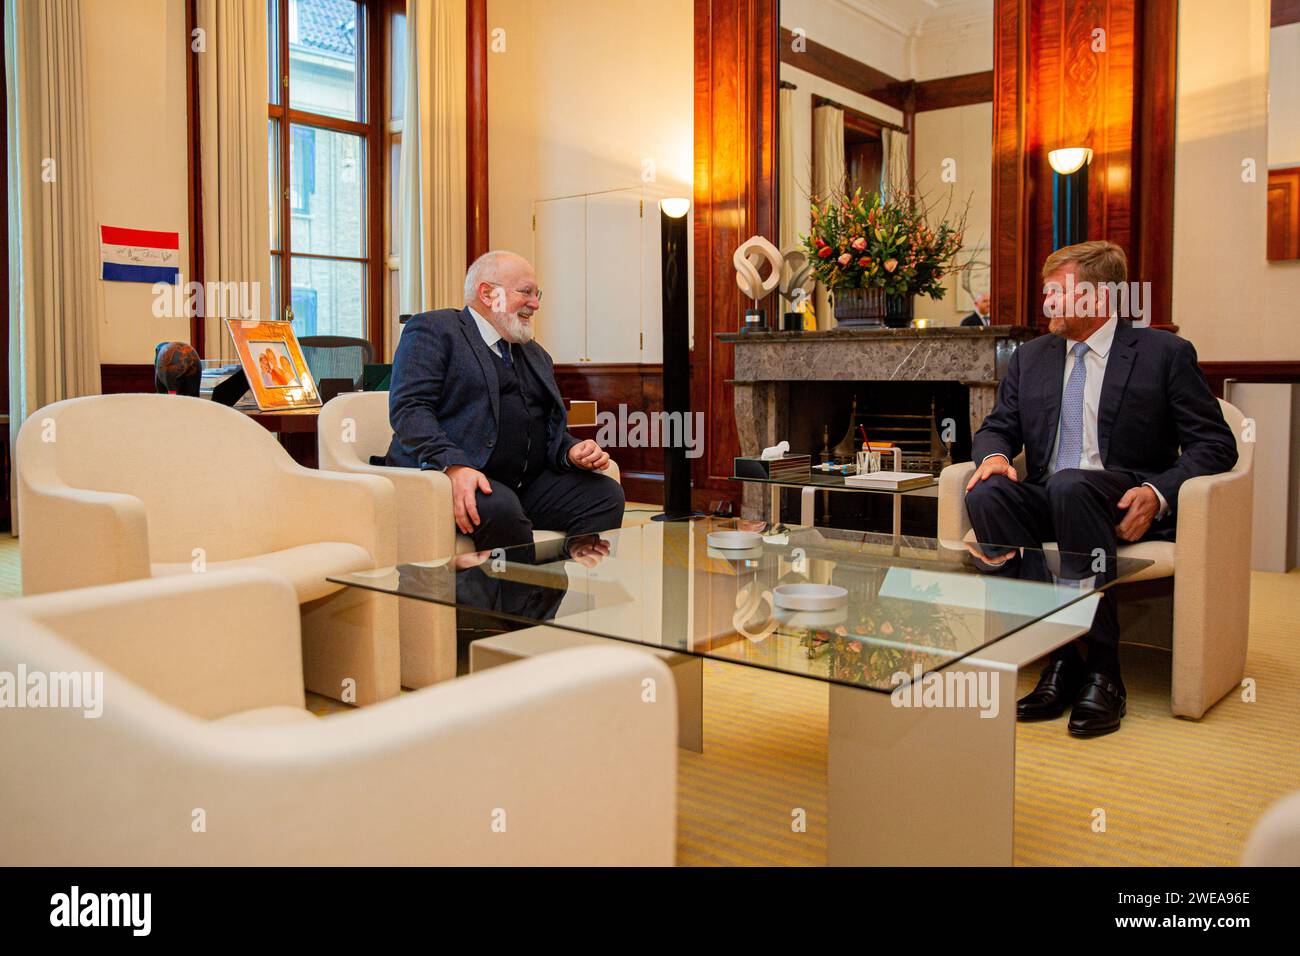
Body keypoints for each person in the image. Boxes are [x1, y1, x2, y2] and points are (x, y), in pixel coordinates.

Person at [963, 240, 1237, 737]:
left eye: (1057, 294)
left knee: (1072, 485)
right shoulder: (1031, 358)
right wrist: (998, 457)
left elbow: (1216, 444)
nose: (1045, 305)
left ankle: (1104, 671)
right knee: (986, 492)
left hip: (1121, 499)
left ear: (1100, 299)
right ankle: (1062, 656)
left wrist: (1159, 492)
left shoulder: (1164, 354)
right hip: (1055, 498)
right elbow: (997, 427)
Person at [384, 250, 624, 553]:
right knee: (502, 507)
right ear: (487, 293)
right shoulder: (435, 330)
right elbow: (410, 409)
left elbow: (546, 427)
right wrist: (453, 465)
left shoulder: (535, 354)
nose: (535, 304)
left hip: (524, 483)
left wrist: (570, 451)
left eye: (537, 294)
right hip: (458, 477)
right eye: (525, 292)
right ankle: (518, 598)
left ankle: (555, 583)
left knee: (604, 495)